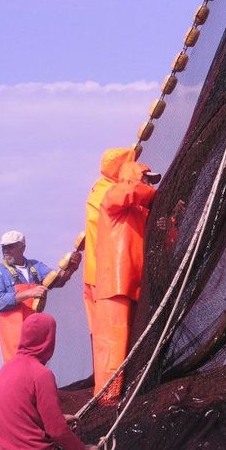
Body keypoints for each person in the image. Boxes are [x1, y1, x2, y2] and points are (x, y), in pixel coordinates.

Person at [0, 313, 102, 450]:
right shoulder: (41, 375)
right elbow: (57, 431)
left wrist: (60, 417)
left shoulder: (4, 370)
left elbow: (13, 415)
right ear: (48, 340)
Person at [93, 161, 159, 399]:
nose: (149, 183)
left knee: (129, 342)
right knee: (113, 342)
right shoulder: (114, 196)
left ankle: (121, 393)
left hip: (135, 285)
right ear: (132, 177)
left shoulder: (143, 211)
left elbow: (165, 241)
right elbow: (128, 192)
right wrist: (156, 196)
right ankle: (107, 397)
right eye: (146, 178)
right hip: (115, 284)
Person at [0, 231, 79, 362]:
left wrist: (71, 268)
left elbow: (57, 281)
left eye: (10, 246)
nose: (6, 250)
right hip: (15, 337)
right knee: (18, 369)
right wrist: (29, 293)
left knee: (39, 365)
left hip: (36, 332)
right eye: (4, 247)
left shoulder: (35, 266)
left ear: (22, 247)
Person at [82, 147, 136, 342]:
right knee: (114, 336)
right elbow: (134, 194)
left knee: (100, 336)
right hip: (107, 277)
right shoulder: (113, 192)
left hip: (94, 274)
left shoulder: (99, 187)